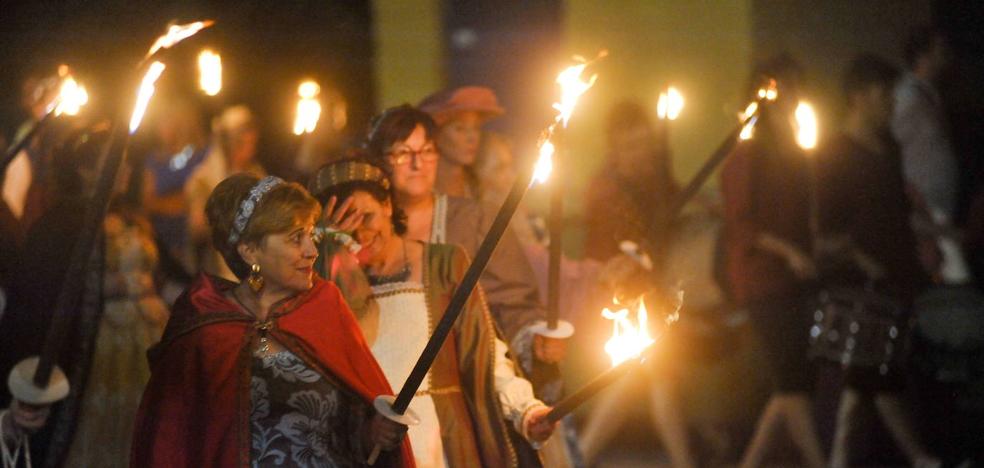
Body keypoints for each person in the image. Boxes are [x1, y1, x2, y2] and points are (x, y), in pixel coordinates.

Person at [130, 173, 412, 467]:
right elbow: (174, 441)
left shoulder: (325, 307)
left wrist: (372, 432)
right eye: (295, 238)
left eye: (311, 235)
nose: (312, 251)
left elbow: (353, 421)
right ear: (250, 250)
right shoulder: (204, 326)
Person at [310, 158, 557, 467]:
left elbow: (483, 356)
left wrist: (525, 410)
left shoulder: (444, 265)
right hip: (379, 448)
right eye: (343, 226)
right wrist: (329, 259)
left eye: (366, 216)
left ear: (387, 205)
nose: (359, 234)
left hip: (446, 443)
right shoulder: (325, 289)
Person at [362, 105, 565, 393]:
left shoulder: (476, 220)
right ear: (380, 161)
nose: (418, 164)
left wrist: (533, 337)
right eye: (403, 153)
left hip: (462, 387)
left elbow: (514, 302)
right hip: (384, 385)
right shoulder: (365, 229)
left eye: (427, 150)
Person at [817, 54, 941, 468]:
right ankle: (921, 458)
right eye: (884, 93)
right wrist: (858, 257)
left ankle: (840, 461)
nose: (891, 102)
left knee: (865, 379)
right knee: (875, 375)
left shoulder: (887, 147)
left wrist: (921, 249)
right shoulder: (834, 153)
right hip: (859, 286)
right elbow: (824, 232)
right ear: (859, 97)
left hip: (896, 278)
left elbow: (896, 212)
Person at [720, 54, 826, 468]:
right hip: (762, 280)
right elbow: (739, 225)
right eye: (784, 91)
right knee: (792, 382)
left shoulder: (791, 152)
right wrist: (789, 251)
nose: (792, 99)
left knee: (790, 382)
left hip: (792, 280)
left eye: (796, 89)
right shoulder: (749, 153)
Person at [892, 26, 969, 284]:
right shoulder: (907, 97)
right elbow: (895, 146)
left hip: (939, 211)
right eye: (940, 50)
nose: (946, 56)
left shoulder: (928, 94)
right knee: (951, 285)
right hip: (925, 214)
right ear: (923, 55)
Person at [186, 105, 265, 280]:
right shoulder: (204, 180)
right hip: (220, 271)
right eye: (243, 142)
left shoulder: (258, 175)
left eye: (252, 142)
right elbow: (197, 228)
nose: (249, 148)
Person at [418, 86, 504, 198]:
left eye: (476, 128)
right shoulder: (418, 191)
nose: (472, 138)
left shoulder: (479, 188)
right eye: (460, 129)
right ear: (436, 134)